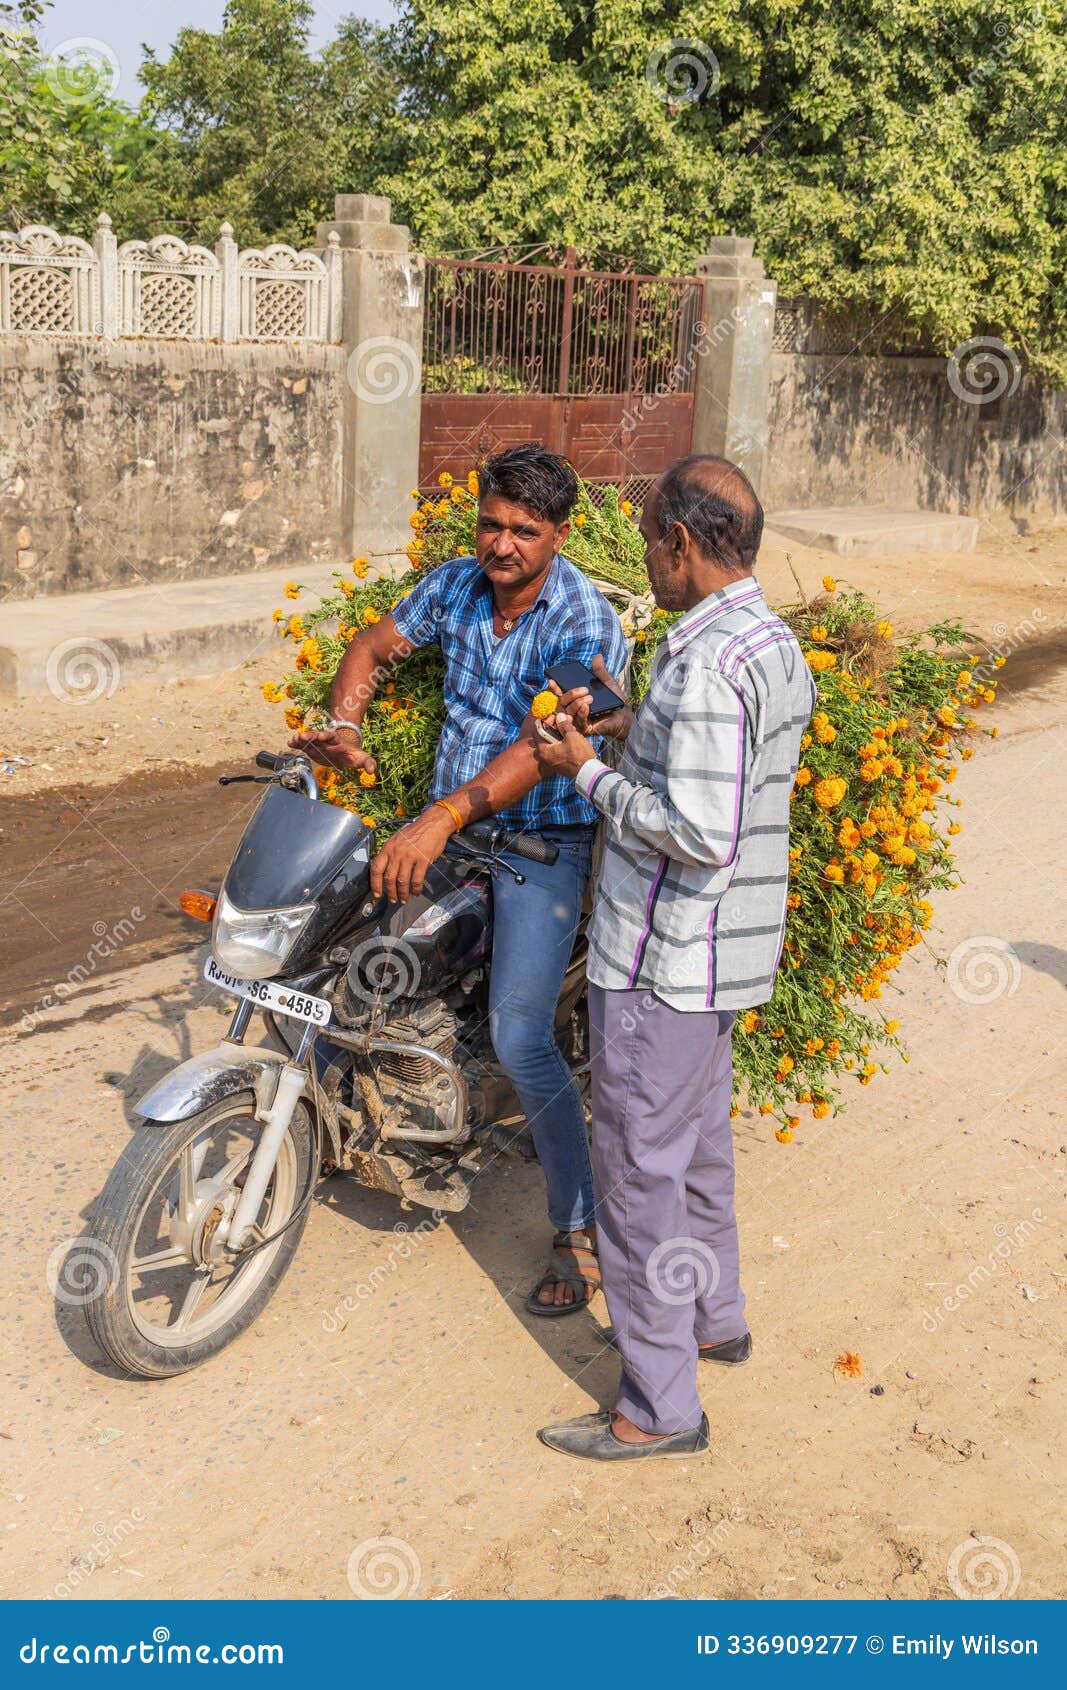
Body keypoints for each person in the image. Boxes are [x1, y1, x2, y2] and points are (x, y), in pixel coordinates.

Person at [290, 443, 628, 1315]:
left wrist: (441, 816)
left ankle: (578, 1224)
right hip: (448, 827)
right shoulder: (453, 585)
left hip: (538, 847)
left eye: (524, 529)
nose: (501, 544)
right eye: (490, 523)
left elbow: (543, 748)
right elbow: (370, 647)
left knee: (520, 1034)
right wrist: (341, 722)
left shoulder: (581, 620)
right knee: (329, 955)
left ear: (559, 533)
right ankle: (341, 1114)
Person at [531, 454, 817, 1461]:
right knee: (694, 1148)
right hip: (724, 956)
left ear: (684, 546)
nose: (648, 559)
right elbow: (733, 773)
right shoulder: (767, 640)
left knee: (635, 1178)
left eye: (653, 542)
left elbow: (698, 829)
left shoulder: (700, 661)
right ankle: (713, 1315)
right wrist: (630, 724)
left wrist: (589, 770)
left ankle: (657, 1406)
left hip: (664, 960)